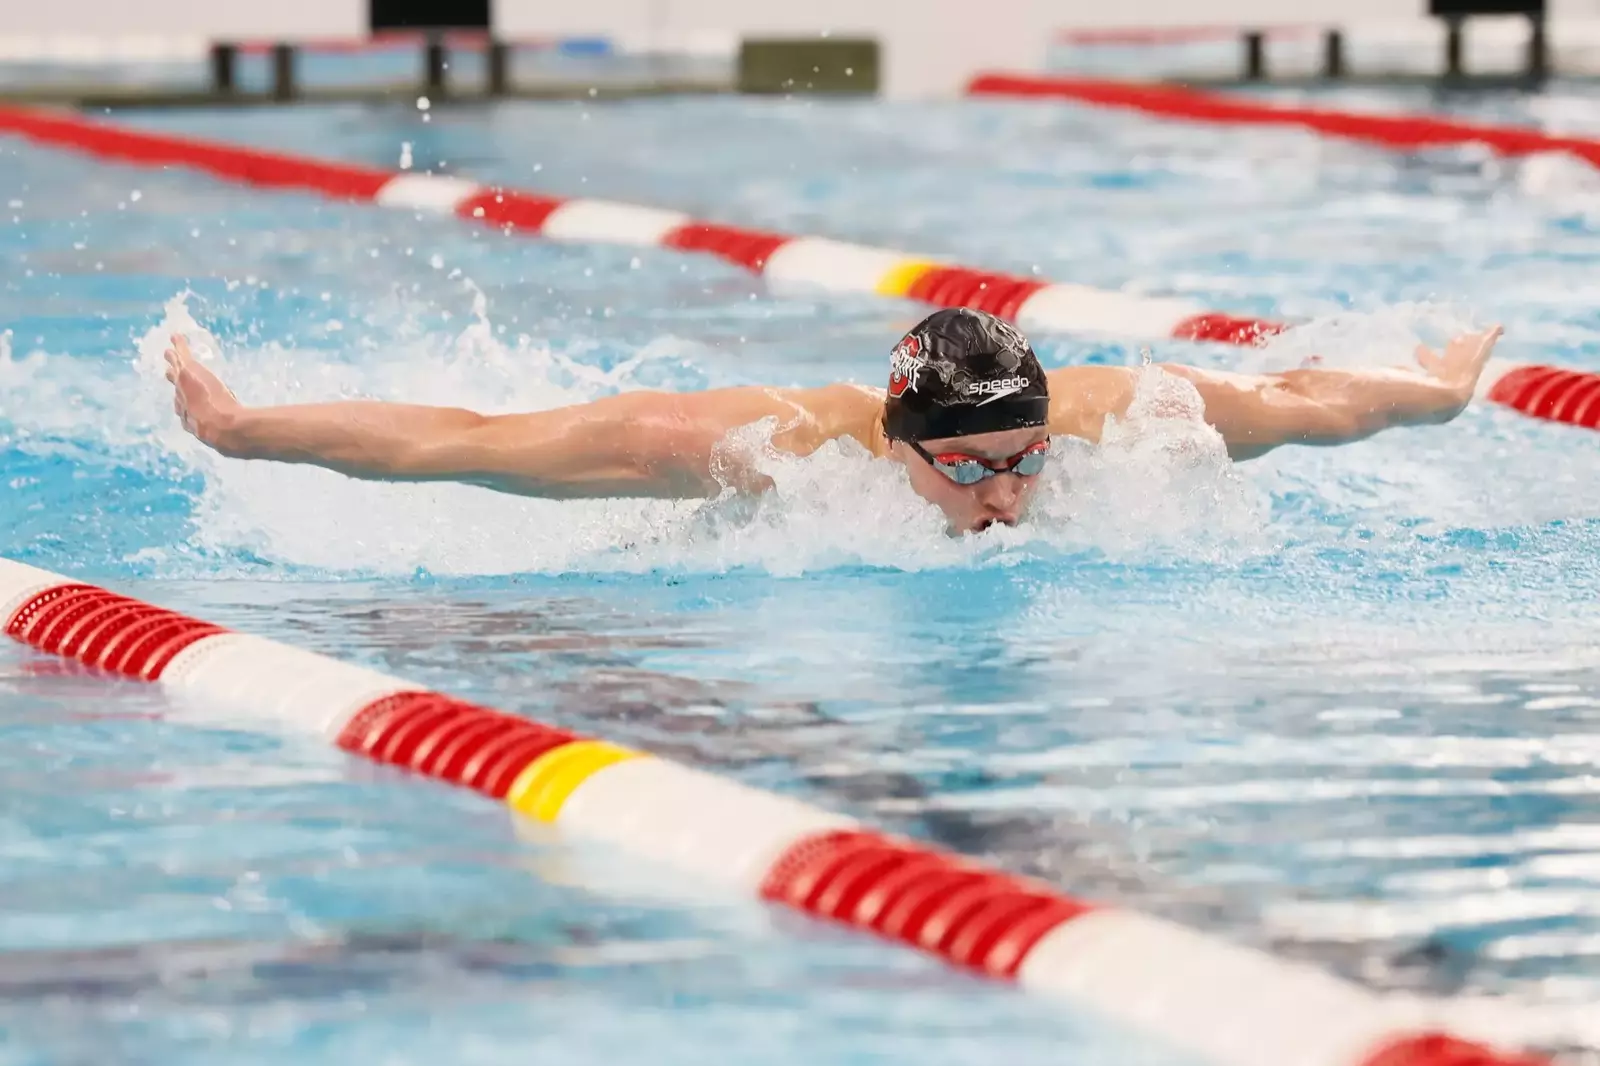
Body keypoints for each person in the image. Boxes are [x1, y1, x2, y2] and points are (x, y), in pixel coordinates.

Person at [164, 306, 1504, 534]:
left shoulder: (1123, 423)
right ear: (898, 438)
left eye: (1026, 460)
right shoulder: (764, 451)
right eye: (975, 471)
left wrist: (1435, 394)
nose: (1010, 501)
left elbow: (1316, 403)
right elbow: (468, 437)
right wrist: (244, 429)